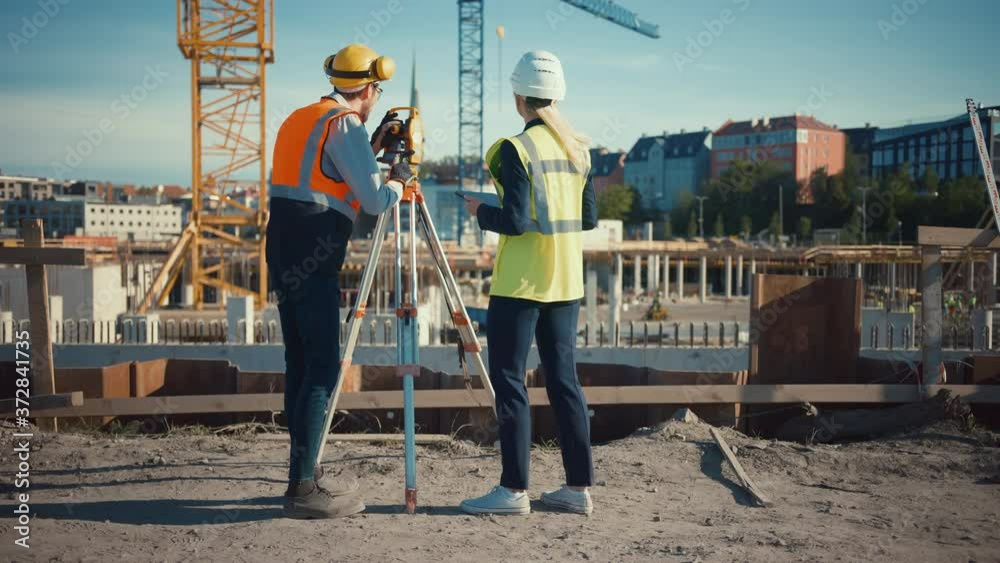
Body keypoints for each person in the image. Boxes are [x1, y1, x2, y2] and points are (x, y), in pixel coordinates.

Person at [266, 43, 416, 519]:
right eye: (376, 90)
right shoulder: (343, 124)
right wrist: (399, 177)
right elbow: (372, 201)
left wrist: (370, 150)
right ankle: (304, 490)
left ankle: (300, 475)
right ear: (370, 88)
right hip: (315, 254)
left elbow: (324, 174)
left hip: (284, 248)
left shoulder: (303, 117)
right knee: (325, 369)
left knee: (301, 362)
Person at [459, 50, 598, 515]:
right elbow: (589, 216)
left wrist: (481, 212)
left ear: (519, 96)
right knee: (565, 383)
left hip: (520, 286)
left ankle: (513, 490)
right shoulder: (578, 150)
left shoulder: (516, 149)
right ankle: (578, 490)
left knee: (510, 381)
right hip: (565, 283)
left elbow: (515, 221)